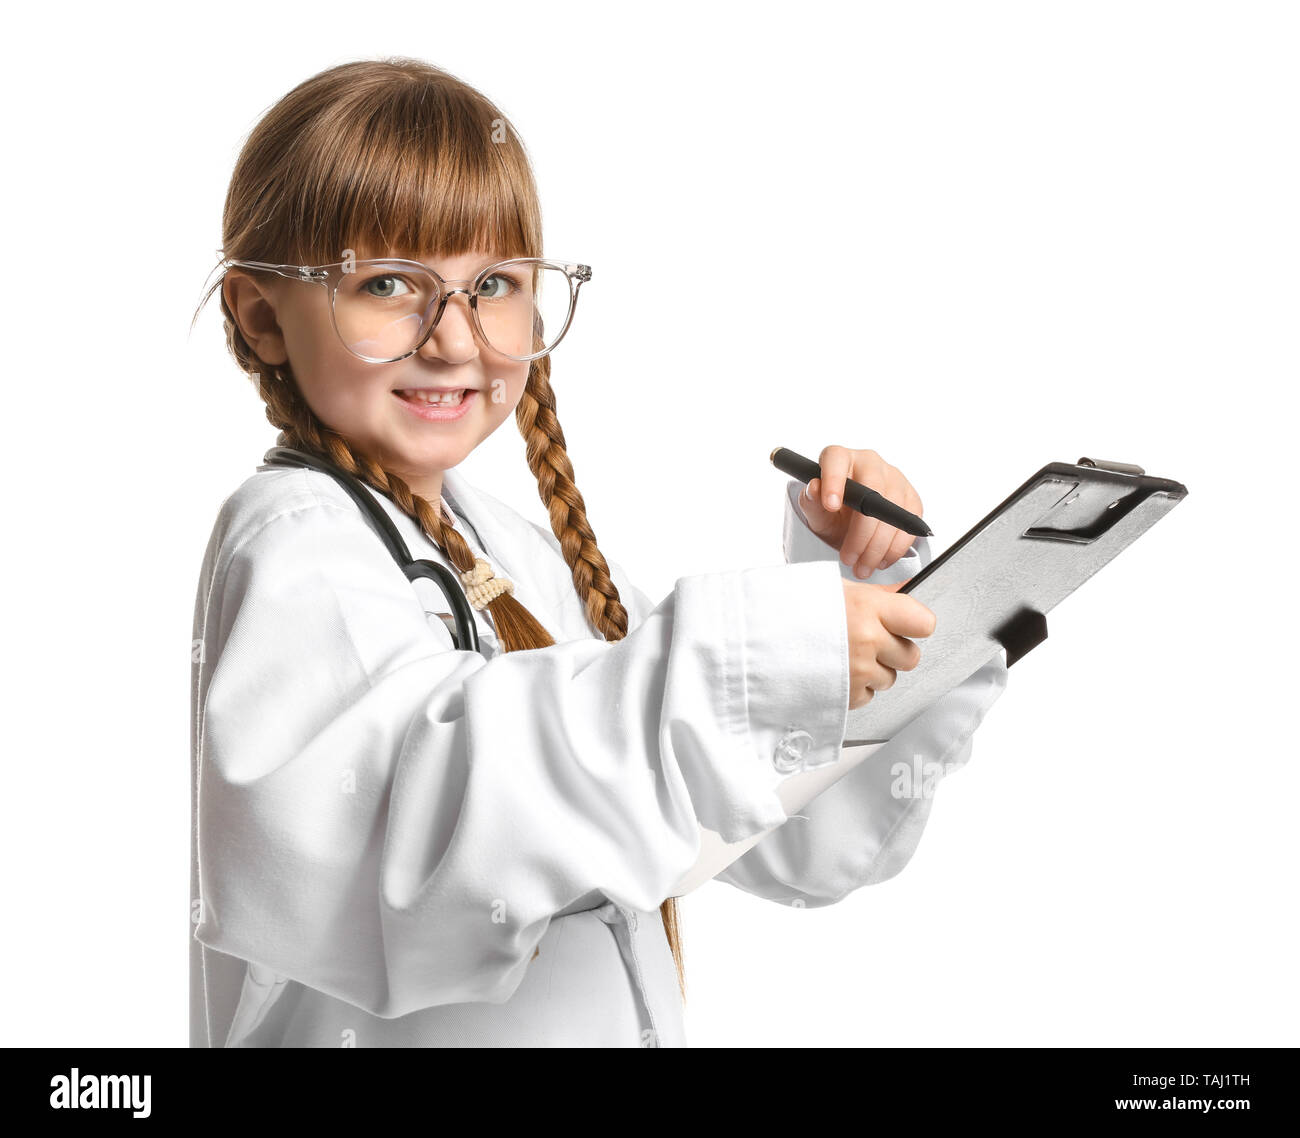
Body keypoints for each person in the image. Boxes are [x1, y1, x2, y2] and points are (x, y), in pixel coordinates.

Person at [188, 56, 1008, 1048]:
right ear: (262, 315)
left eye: (489, 283)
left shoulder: (513, 555)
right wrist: (755, 658)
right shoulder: (293, 541)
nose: (452, 340)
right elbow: (412, 826)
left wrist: (859, 595)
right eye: (389, 284)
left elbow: (772, 829)